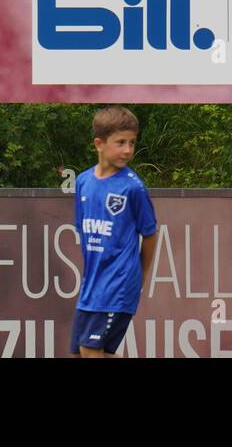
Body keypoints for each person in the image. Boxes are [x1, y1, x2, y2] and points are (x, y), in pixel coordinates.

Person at [71, 106, 158, 358]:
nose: (128, 150)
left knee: (89, 349)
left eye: (132, 143)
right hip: (92, 286)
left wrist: (140, 275)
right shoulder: (83, 182)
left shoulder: (133, 188)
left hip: (118, 284)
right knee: (80, 353)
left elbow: (150, 234)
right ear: (99, 143)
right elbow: (83, 228)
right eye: (120, 142)